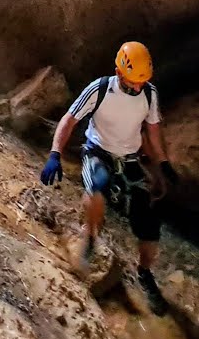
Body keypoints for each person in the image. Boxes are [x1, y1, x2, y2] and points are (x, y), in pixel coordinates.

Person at [38, 41, 179, 314]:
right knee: (97, 186)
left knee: (149, 222)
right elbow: (69, 120)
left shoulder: (149, 94)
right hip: (97, 151)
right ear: (119, 71)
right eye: (133, 81)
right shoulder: (100, 89)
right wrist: (55, 153)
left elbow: (151, 131)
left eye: (142, 82)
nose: (138, 87)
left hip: (129, 159)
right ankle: (90, 235)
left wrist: (162, 164)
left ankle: (145, 274)